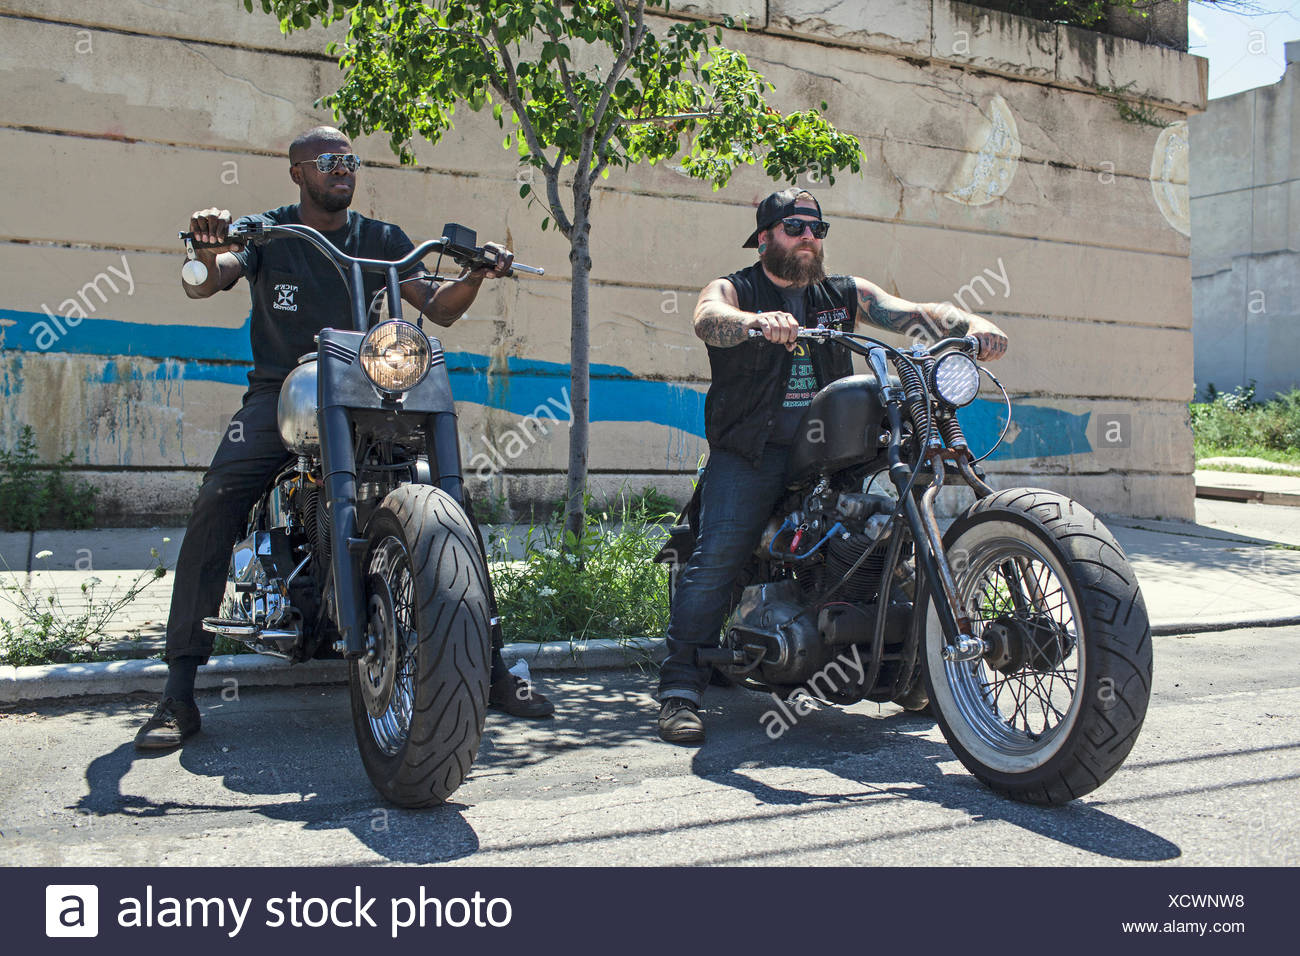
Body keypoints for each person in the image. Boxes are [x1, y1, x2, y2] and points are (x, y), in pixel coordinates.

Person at [135, 126, 553, 750]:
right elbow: (208, 278)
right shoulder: (269, 232)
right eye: (329, 161)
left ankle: (487, 666)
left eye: (350, 161)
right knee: (218, 498)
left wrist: (475, 275)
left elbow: (438, 305)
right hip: (282, 391)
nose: (343, 170)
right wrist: (208, 245)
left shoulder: (382, 240)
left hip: (366, 389)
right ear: (297, 173)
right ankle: (179, 691)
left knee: (451, 508)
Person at [656, 187, 1009, 744]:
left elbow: (912, 312)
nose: (808, 238)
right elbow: (708, 317)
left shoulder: (841, 294)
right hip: (751, 451)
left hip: (828, 454)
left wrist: (969, 321)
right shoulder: (738, 288)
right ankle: (680, 689)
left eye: (817, 229)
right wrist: (753, 323)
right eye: (795, 227)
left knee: (887, 539)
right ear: (765, 237)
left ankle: (912, 669)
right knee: (718, 557)